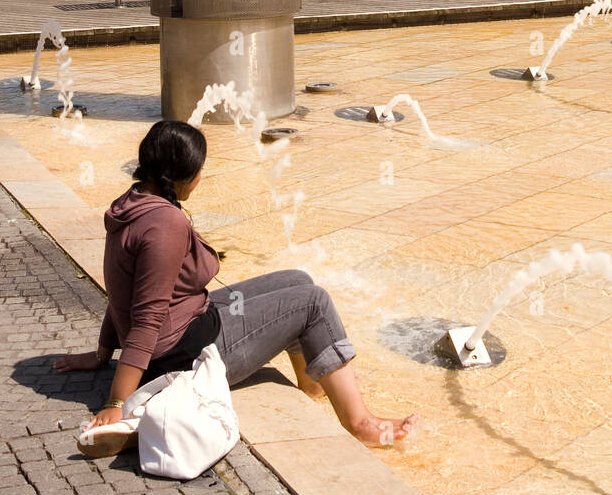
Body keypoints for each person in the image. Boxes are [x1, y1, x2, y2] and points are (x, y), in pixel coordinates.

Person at [54, 121, 417, 457]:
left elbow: (123, 289)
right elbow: (147, 315)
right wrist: (116, 401)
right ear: (183, 176)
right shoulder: (165, 223)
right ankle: (361, 424)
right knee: (313, 303)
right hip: (182, 355)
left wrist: (102, 353)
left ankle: (313, 387)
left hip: (190, 318)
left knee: (298, 280)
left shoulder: (132, 203)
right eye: (199, 170)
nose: (200, 177)